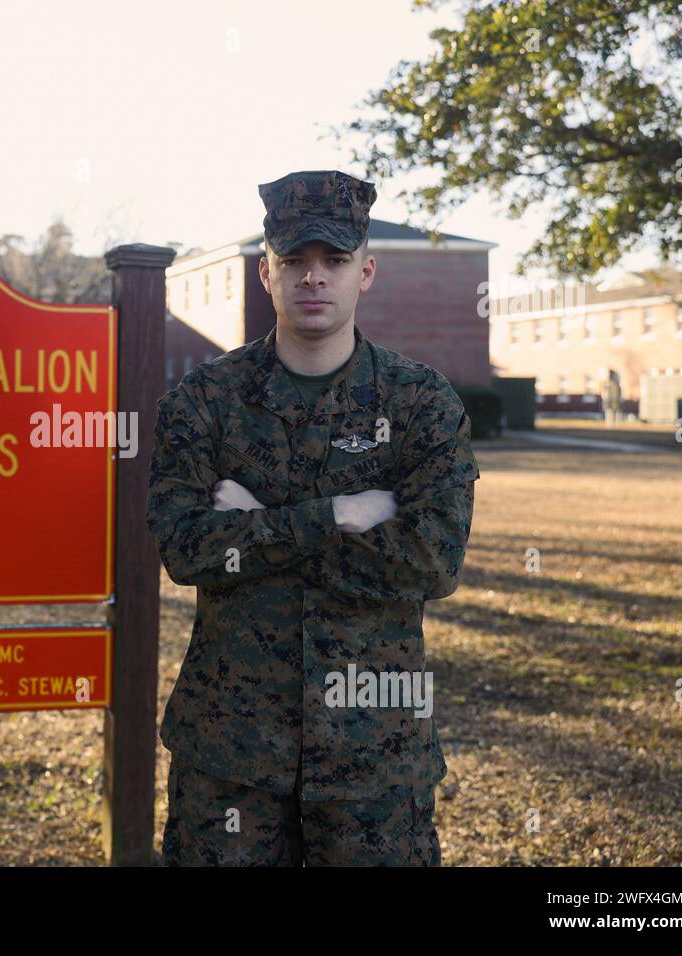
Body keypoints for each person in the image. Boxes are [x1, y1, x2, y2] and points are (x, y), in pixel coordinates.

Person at [148, 169, 480, 866]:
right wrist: (342, 515)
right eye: (295, 261)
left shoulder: (420, 403)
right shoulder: (207, 400)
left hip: (375, 756)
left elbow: (430, 562)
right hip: (231, 754)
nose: (314, 278)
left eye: (334, 260)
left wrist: (261, 522)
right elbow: (187, 550)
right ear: (266, 271)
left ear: (367, 271)